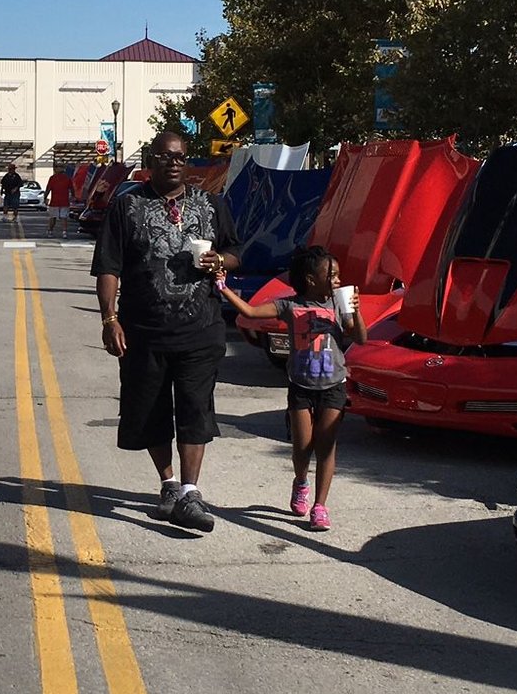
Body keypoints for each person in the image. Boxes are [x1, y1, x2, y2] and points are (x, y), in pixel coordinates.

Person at [92, 130, 239, 533]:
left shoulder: (211, 204)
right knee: (151, 410)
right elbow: (108, 266)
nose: (173, 163)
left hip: (201, 329)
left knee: (195, 409)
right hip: (144, 331)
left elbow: (235, 251)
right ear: (151, 160)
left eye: (179, 157)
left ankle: (192, 492)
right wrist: (109, 318)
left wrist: (219, 260)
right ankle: (169, 485)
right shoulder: (126, 207)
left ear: (186, 161)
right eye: (164, 156)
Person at [215, 245, 364, 532]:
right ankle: (301, 482)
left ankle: (320, 507)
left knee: (326, 446)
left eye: (338, 275)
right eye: (331, 275)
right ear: (310, 280)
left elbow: (360, 337)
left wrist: (355, 312)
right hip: (301, 386)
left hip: (333, 385)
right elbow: (250, 311)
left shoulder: (338, 303)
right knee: (302, 447)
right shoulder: (290, 306)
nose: (337, 280)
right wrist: (223, 287)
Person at [43, 165, 74, 236]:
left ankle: (50, 231)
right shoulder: (67, 178)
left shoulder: (52, 178)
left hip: (55, 201)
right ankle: (64, 232)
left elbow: (48, 189)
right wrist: (73, 196)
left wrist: (45, 198)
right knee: (64, 217)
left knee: (53, 217)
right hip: (64, 201)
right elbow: (72, 189)